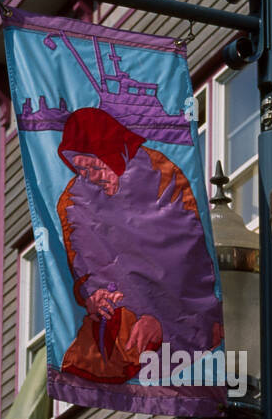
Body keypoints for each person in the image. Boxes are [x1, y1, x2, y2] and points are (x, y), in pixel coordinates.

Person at [56, 107, 223, 385]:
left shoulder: (162, 176)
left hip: (180, 314)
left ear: (113, 152)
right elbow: (80, 265)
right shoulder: (73, 202)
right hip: (114, 322)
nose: (90, 177)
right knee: (85, 367)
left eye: (95, 166)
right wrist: (92, 296)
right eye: (81, 170)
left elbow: (188, 255)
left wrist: (158, 315)